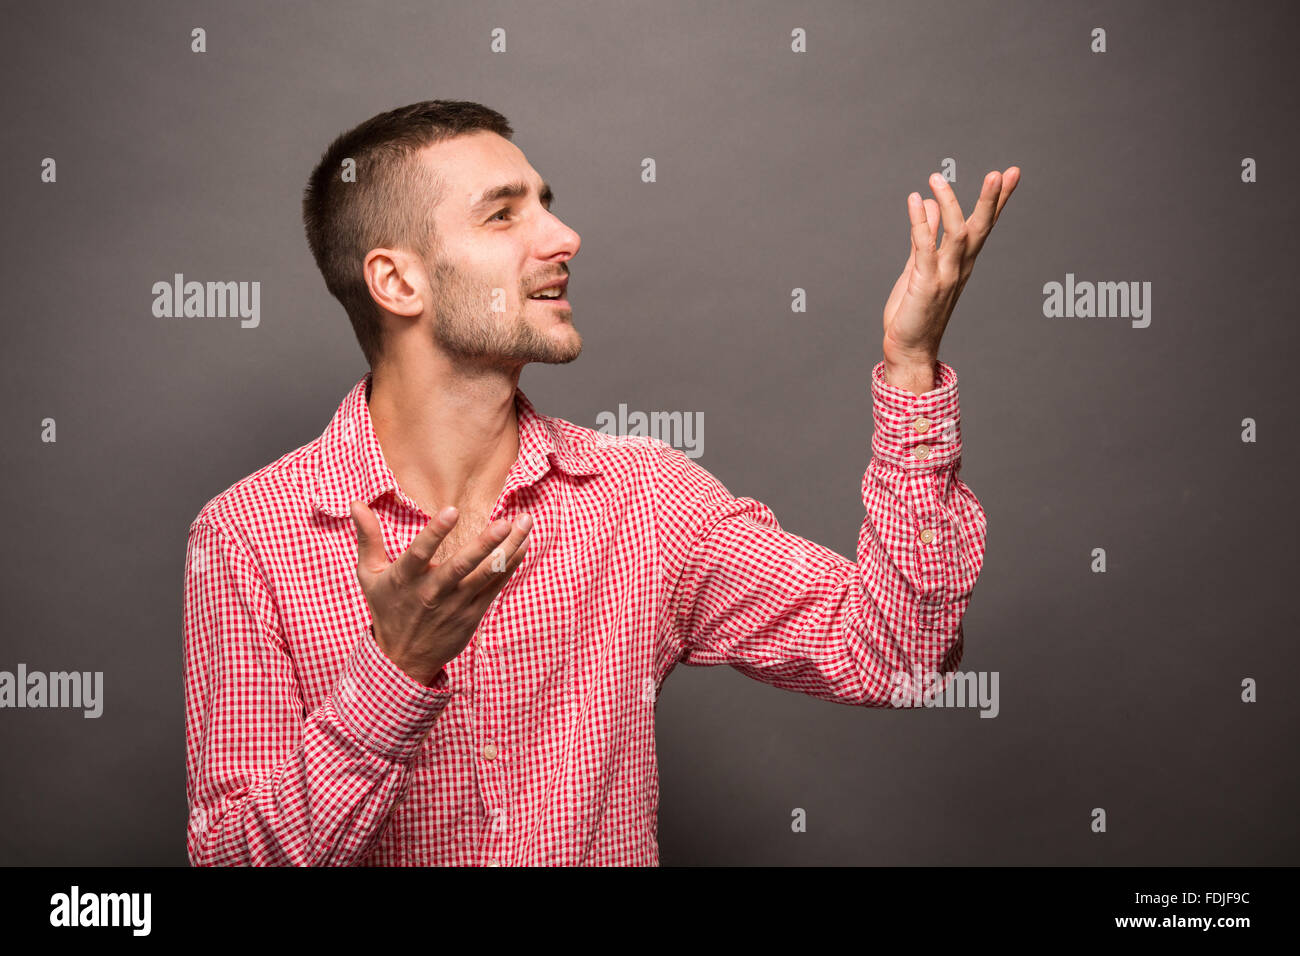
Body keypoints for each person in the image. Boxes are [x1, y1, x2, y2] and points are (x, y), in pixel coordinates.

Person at [182, 100, 1019, 866]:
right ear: (397, 282)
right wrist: (396, 669)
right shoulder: (251, 537)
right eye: (504, 214)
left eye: (546, 203)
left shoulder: (641, 499)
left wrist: (911, 371)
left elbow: (894, 655)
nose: (563, 236)